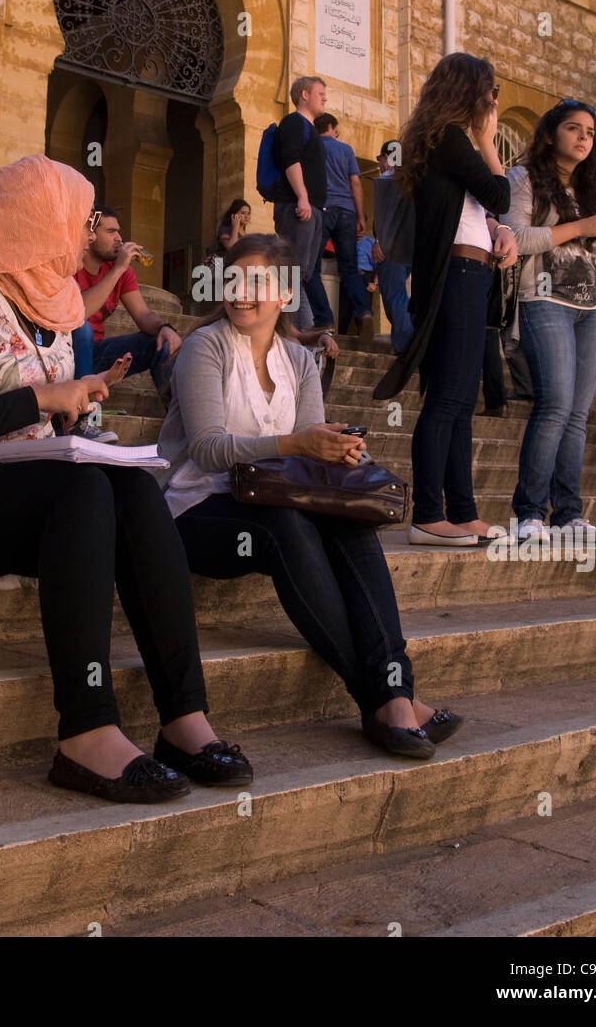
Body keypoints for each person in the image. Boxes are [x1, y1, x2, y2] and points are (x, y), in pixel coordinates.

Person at [0, 156, 251, 803]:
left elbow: (51, 403)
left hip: (31, 480)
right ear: (37, 218)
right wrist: (44, 400)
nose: (87, 232)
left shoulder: (59, 298)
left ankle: (185, 717)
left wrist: (82, 394)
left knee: (129, 487)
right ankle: (86, 733)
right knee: (82, 490)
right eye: (79, 219)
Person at [156, 232, 463, 760]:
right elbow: (206, 450)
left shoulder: (299, 361)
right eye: (233, 278)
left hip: (271, 499)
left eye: (257, 281)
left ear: (284, 291)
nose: (241, 291)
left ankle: (393, 693)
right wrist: (298, 441)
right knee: (287, 527)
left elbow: (302, 462)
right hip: (195, 509)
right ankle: (385, 699)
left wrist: (334, 449)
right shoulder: (204, 348)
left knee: (351, 523)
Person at [372, 54, 518, 546]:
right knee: (448, 399)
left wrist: (498, 232)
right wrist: (487, 139)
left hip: (468, 272)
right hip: (456, 274)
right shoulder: (452, 140)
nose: (492, 102)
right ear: (467, 92)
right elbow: (500, 192)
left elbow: (484, 211)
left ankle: (463, 511)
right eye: (488, 92)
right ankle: (428, 515)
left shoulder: (440, 141)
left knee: (459, 401)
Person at [506, 99, 596, 544]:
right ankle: (529, 514)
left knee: (578, 415)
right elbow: (516, 238)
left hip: (592, 307)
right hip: (543, 299)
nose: (584, 137)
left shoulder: (589, 189)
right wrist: (579, 227)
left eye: (590, 132)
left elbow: (590, 255)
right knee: (555, 405)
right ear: (550, 135)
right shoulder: (522, 179)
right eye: (574, 129)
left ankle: (569, 515)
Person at [72, 207, 182, 391]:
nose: (119, 238)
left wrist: (165, 328)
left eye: (118, 231)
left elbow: (143, 315)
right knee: (83, 328)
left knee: (159, 342)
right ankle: (83, 410)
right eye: (110, 232)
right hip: (68, 352)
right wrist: (118, 270)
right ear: (90, 234)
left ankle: (177, 412)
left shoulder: (121, 270)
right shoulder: (73, 264)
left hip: (96, 352)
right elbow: (79, 313)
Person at [303, 113, 374, 343]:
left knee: (310, 269)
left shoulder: (310, 148)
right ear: (332, 127)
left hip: (321, 211)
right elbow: (355, 182)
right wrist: (360, 216)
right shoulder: (346, 149)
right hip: (347, 213)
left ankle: (324, 317)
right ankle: (364, 312)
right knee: (350, 270)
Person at [272, 76, 328, 334]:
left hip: (312, 210)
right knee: (292, 272)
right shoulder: (294, 122)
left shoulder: (311, 128)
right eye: (320, 93)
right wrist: (303, 197)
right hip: (299, 209)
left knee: (301, 275)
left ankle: (299, 331)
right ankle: (287, 330)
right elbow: (290, 159)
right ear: (304, 94)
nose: (325, 98)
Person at [372, 140, 414, 355]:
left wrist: (380, 242)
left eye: (380, 158)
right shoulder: (411, 181)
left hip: (391, 246)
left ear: (387, 157)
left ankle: (406, 346)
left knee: (394, 296)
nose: (379, 163)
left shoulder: (387, 180)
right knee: (401, 297)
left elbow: (384, 216)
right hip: (410, 246)